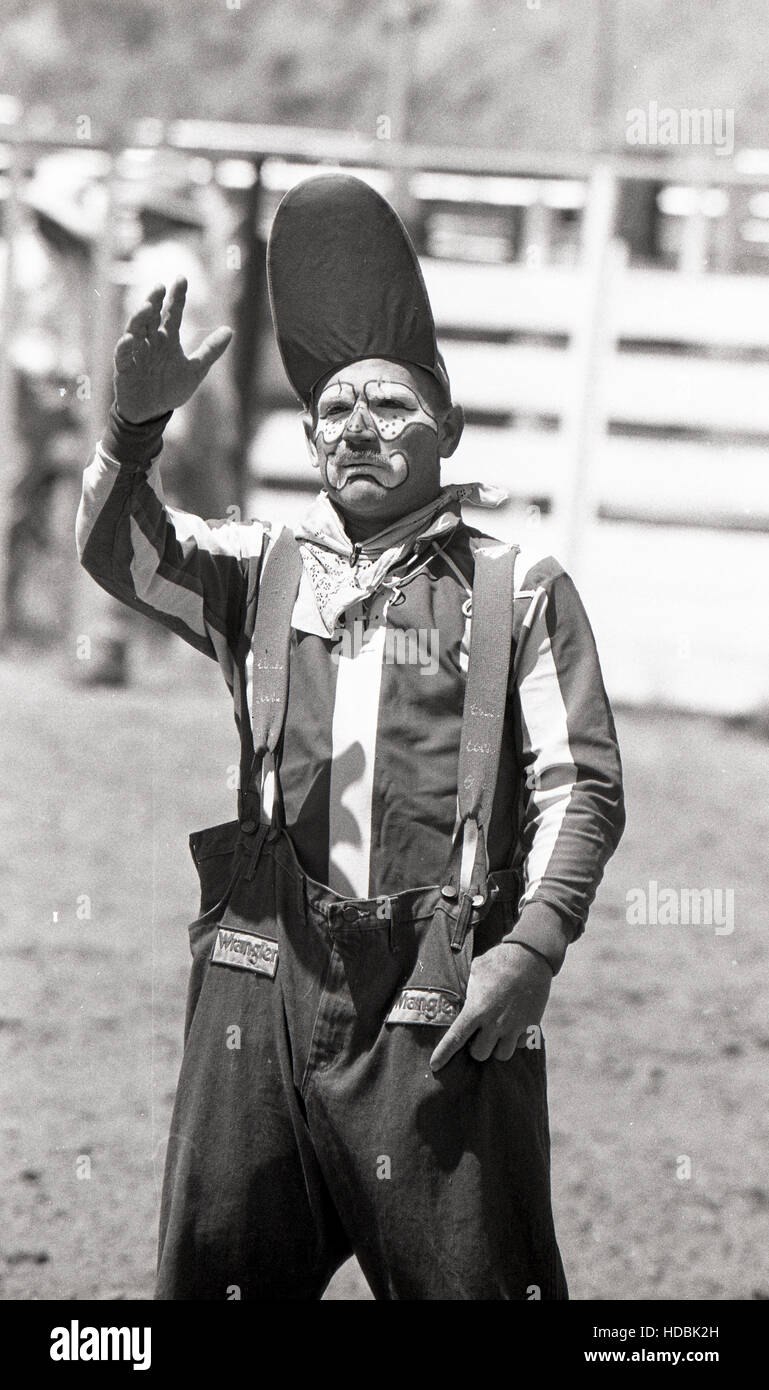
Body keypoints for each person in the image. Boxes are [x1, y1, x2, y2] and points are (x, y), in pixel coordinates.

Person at [76, 174, 625, 1301]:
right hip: (261, 979)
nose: (356, 429)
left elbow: (582, 788)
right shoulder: (260, 571)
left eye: (389, 406)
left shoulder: (515, 589)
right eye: (333, 409)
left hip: (443, 1000)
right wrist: (134, 431)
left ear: (448, 429)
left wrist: (528, 952)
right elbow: (119, 556)